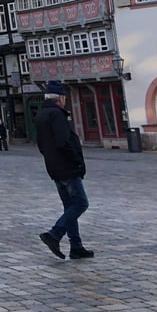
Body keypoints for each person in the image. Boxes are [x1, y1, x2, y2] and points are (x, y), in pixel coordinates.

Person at [35, 80, 93, 260]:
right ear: (60, 98)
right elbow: (64, 141)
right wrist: (76, 161)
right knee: (80, 204)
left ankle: (76, 246)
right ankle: (54, 234)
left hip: (54, 168)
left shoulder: (41, 115)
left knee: (69, 206)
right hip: (67, 167)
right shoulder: (57, 115)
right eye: (64, 97)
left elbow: (41, 145)